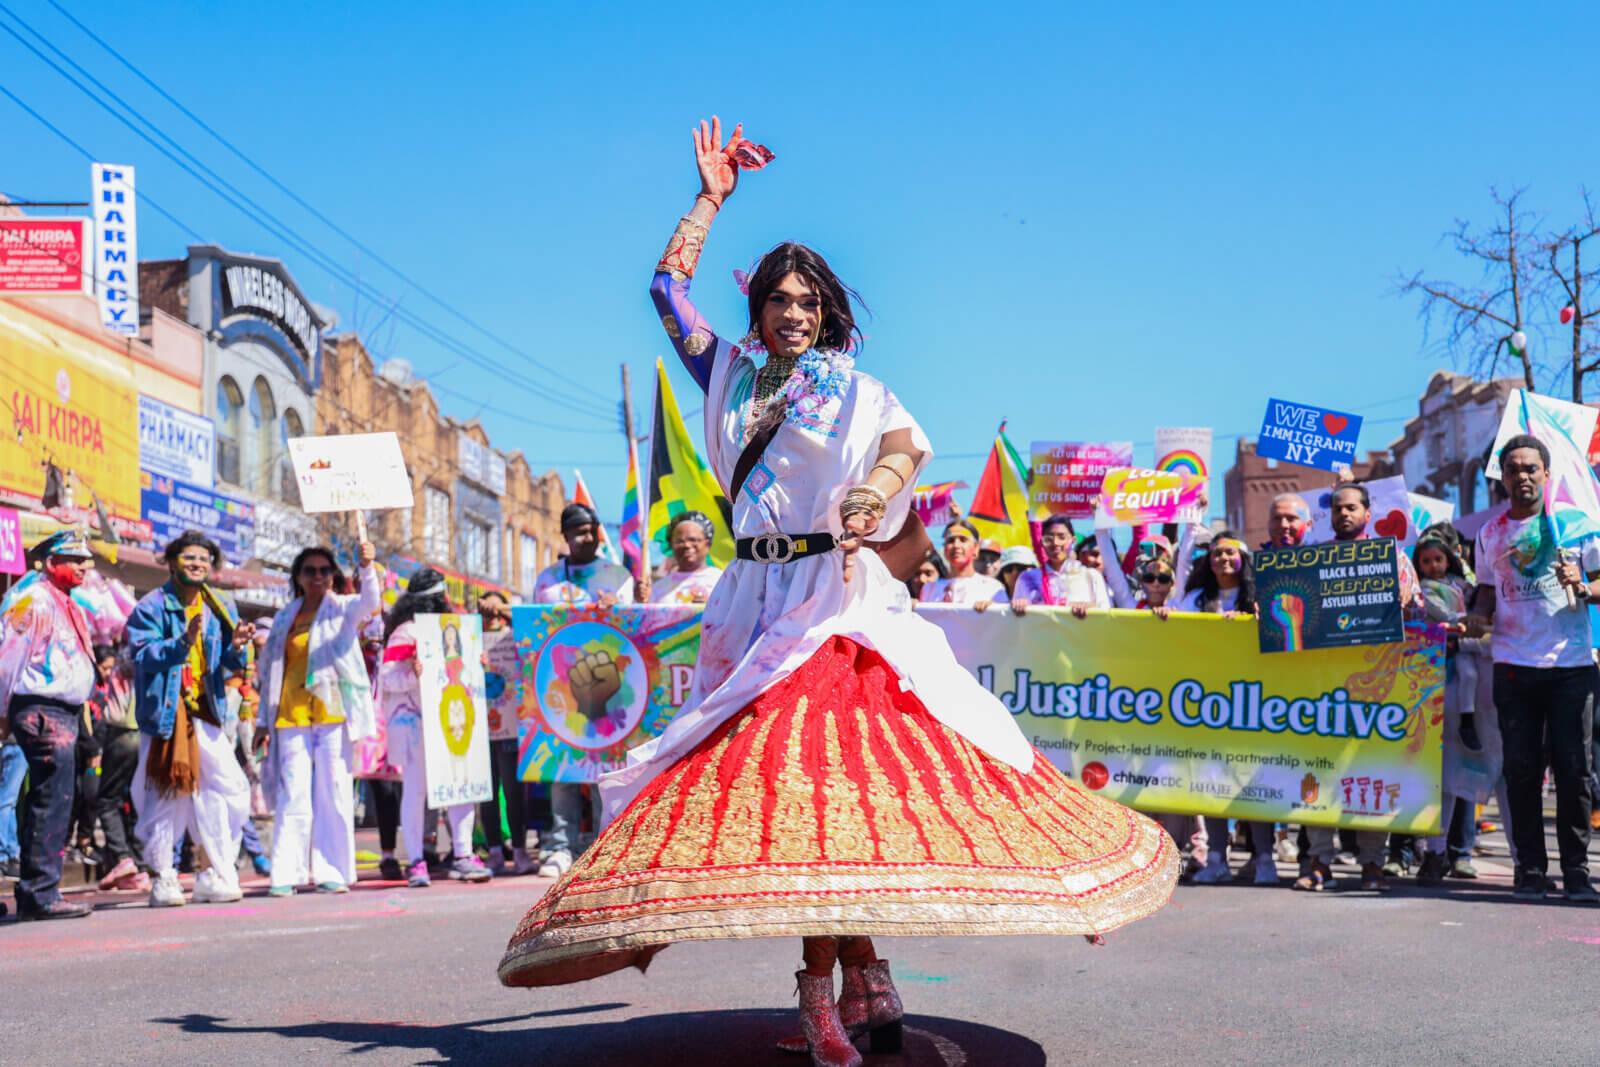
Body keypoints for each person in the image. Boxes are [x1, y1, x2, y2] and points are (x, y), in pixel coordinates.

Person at [498, 118, 1177, 1067]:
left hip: (834, 600)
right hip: (748, 601)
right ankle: (873, 977)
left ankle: (821, 1001)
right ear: (758, 311)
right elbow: (664, 289)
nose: (791, 314)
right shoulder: (725, 373)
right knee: (785, 802)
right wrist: (711, 197)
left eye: (807, 303)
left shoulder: (856, 387)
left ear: (827, 316)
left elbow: (905, 446)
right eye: (777, 300)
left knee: (828, 794)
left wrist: (870, 494)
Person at [1474, 434, 1600, 902]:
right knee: (1521, 771)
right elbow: (1486, 593)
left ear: (1546, 473)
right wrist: (1476, 617)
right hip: (1512, 665)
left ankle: (1577, 872)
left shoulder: (1576, 525)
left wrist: (1584, 586)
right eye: (1513, 469)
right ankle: (1529, 870)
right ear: (1502, 478)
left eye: (1531, 468)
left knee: (1574, 771)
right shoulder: (1489, 533)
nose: (1522, 476)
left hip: (1570, 665)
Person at [1292, 483, 1421, 893]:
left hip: (1374, 687)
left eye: (1352, 508)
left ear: (1368, 513)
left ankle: (1371, 863)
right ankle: (1319, 859)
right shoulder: (1313, 560)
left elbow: (1419, 616)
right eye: (1337, 509)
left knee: (1369, 776)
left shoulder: (1395, 559)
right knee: (1318, 772)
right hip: (1322, 686)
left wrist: (1408, 596)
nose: (1343, 514)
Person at [125, 531, 256, 907]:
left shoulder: (219, 605)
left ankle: (212, 870)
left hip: (206, 710)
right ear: (171, 562)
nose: (197, 564)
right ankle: (163, 877)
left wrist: (237, 646)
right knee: (164, 794)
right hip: (166, 713)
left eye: (203, 559)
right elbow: (143, 654)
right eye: (189, 558)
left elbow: (233, 663)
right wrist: (182, 642)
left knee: (227, 790)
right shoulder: (151, 606)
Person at [254, 541, 379, 896]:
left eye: (325, 570)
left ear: (334, 576)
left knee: (335, 792)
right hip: (290, 716)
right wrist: (264, 720)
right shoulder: (284, 618)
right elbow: (269, 671)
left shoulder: (342, 610)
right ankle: (286, 873)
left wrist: (368, 568)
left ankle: (333, 871)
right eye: (310, 570)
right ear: (298, 576)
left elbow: (371, 603)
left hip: (332, 713)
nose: (318, 577)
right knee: (292, 793)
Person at [1154, 531, 1273, 885]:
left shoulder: (1260, 596)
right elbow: (1180, 639)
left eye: (1230, 553)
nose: (1223, 559)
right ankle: (1217, 857)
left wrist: (1254, 619)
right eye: (1217, 553)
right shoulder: (1194, 597)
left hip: (1253, 698)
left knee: (1255, 782)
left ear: (1244, 558)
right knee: (1211, 780)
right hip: (1207, 702)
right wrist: (1166, 616)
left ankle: (1265, 858)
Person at [532, 503, 642, 878]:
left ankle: (603, 845)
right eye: (576, 530)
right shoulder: (548, 580)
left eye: (590, 529)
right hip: (560, 688)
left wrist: (620, 608)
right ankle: (560, 847)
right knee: (563, 766)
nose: (585, 536)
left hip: (608, 686)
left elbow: (635, 630)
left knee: (604, 767)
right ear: (564, 536)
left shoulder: (617, 576)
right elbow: (535, 627)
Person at [0, 530, 102, 919]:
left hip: (61, 713)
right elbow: (9, 657)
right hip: (41, 710)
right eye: (74, 558)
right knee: (50, 801)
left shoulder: (66, 601)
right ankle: (40, 894)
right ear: (49, 562)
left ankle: (37, 891)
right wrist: (2, 711)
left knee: (53, 799)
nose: (83, 565)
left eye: (85, 558)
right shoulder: (34, 599)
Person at [378, 568, 492, 887]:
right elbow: (387, 677)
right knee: (415, 791)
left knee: (462, 785)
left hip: (454, 721)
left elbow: (462, 672)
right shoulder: (405, 633)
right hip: (417, 726)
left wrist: (476, 663)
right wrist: (413, 675)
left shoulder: (456, 630)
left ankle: (464, 854)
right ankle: (416, 859)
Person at [477, 590, 534, 876]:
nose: (492, 617)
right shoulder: (472, 639)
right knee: (486, 793)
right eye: (487, 613)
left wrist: (502, 608)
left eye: (496, 612)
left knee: (513, 791)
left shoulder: (516, 636)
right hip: (479, 729)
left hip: (512, 726)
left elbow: (529, 624)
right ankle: (495, 851)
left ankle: (521, 850)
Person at [89, 643, 147, 892]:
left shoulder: (123, 665)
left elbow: (114, 712)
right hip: (141, 735)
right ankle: (140, 865)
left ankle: (123, 858)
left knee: (106, 799)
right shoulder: (144, 661)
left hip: (121, 735)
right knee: (133, 801)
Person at [1010, 515, 1111, 617]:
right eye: (1049, 538)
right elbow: (1016, 620)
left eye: (1061, 537)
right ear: (1042, 542)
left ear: (1073, 540)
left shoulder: (1090, 576)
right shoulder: (1027, 578)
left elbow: (1106, 615)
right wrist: (1018, 605)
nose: (1055, 543)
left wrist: (1090, 609)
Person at [918, 519, 1006, 606]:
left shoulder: (992, 588)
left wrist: (992, 609)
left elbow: (1005, 617)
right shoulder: (929, 589)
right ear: (944, 548)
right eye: (950, 540)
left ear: (976, 548)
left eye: (963, 540)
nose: (956, 545)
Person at [649, 511, 724, 604]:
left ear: (707, 544)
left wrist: (714, 606)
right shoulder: (657, 590)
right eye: (680, 541)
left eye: (693, 540)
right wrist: (643, 602)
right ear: (671, 545)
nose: (687, 545)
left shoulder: (723, 582)